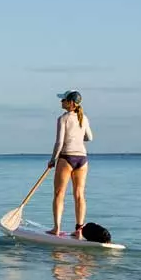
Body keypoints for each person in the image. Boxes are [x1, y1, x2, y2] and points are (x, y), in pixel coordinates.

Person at [49, 90, 93, 236]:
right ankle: (79, 231)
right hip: (82, 158)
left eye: (63, 100)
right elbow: (89, 138)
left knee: (59, 193)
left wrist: (52, 160)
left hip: (67, 157)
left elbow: (59, 142)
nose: (61, 102)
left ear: (70, 103)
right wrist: (77, 138)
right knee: (79, 194)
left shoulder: (63, 118)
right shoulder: (84, 118)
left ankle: (56, 229)